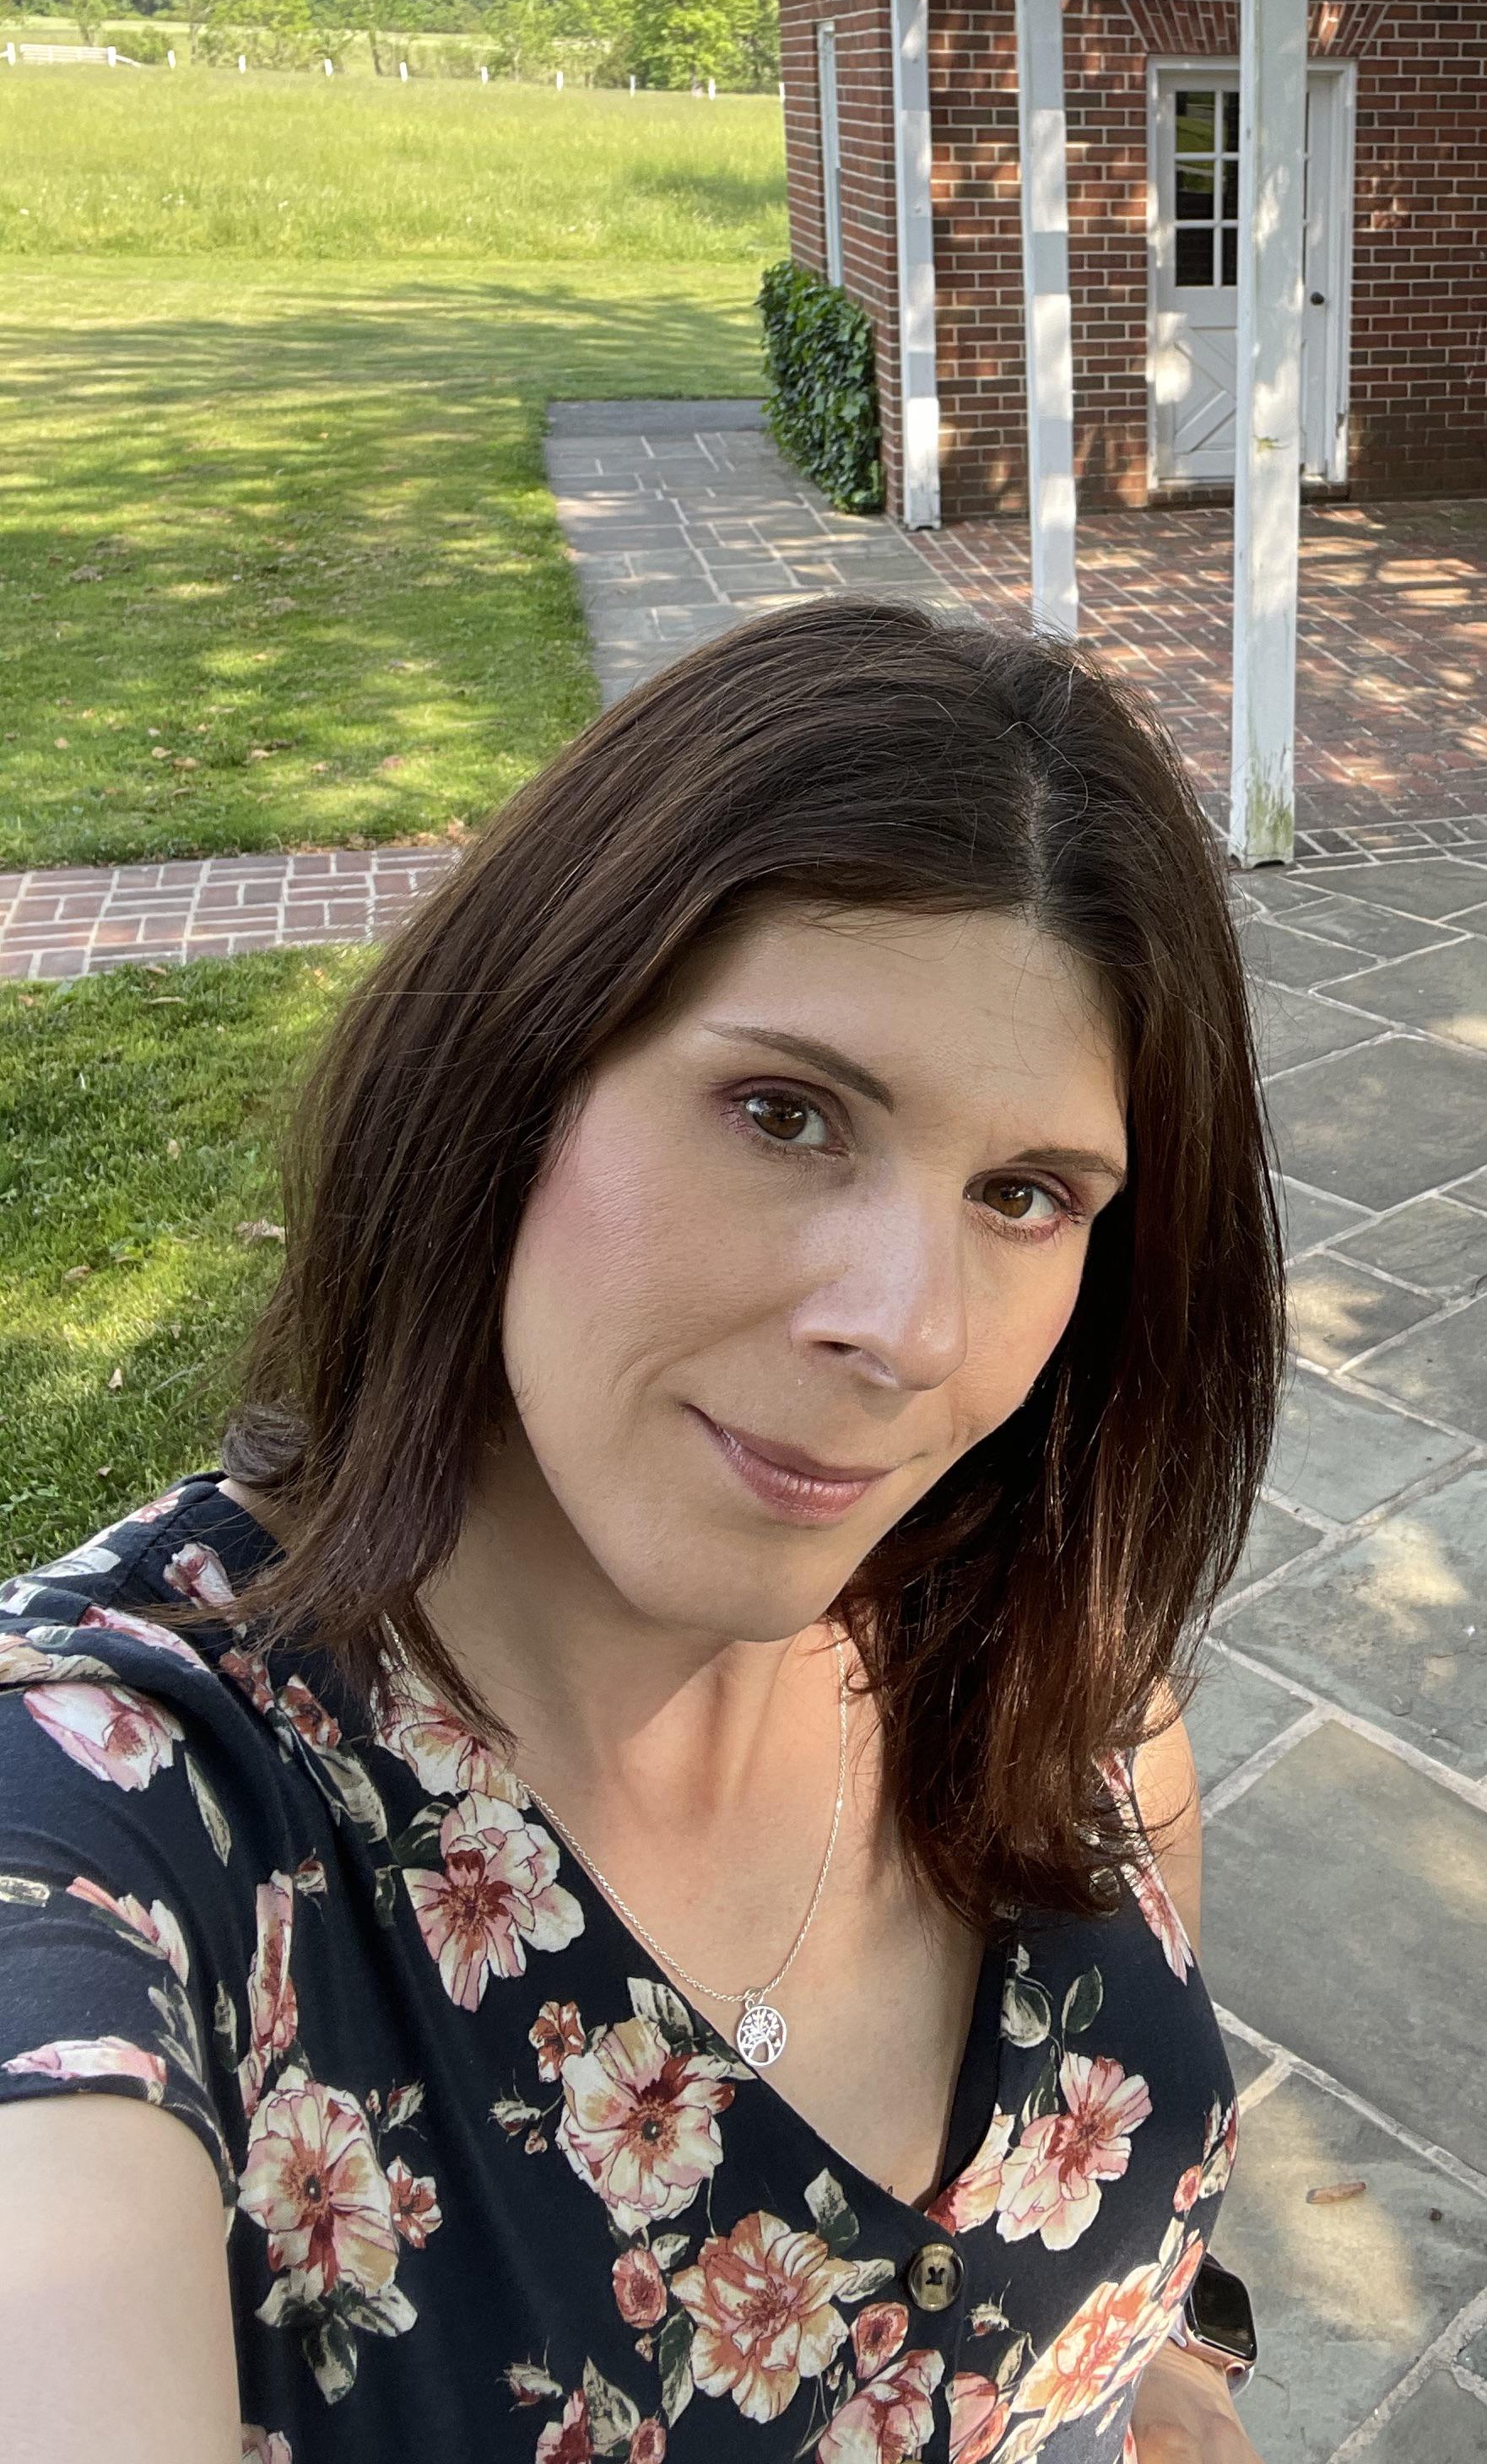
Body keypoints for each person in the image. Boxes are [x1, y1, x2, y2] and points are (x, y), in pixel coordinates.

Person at [0, 600, 1282, 2461]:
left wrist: (1178, 2362)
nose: (911, 1332)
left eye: (1024, 1192)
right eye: (786, 1114)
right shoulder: (119, 1815)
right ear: (511, 1085)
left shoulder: (1032, 1651)